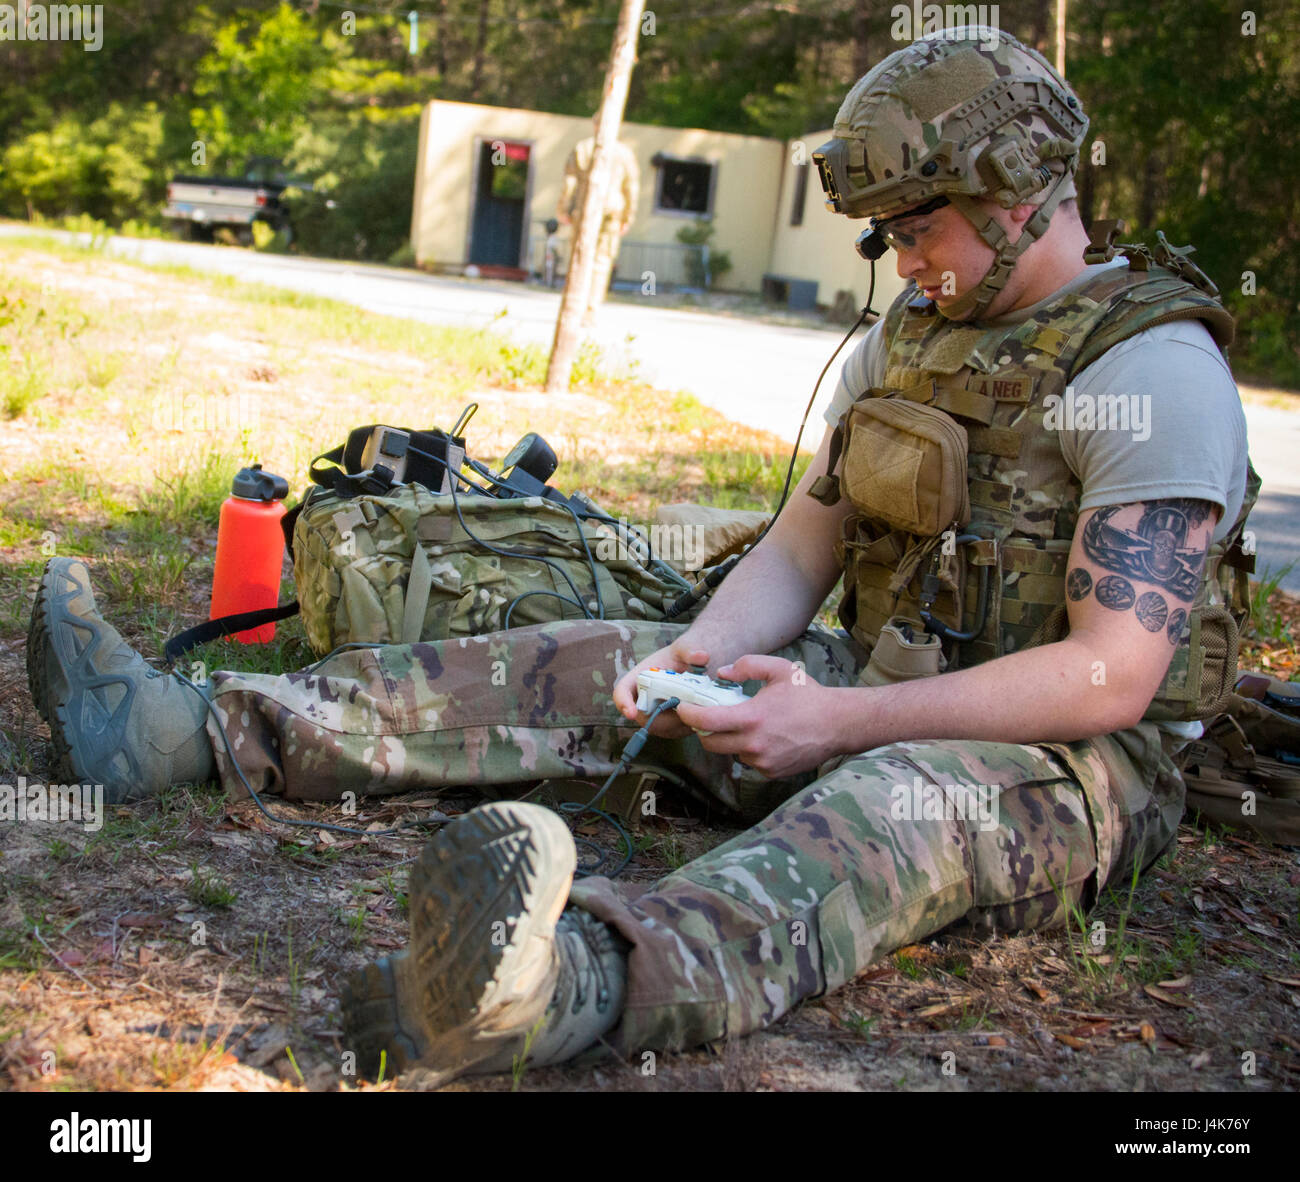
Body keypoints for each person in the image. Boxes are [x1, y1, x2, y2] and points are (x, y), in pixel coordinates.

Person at [26, 28, 1255, 1086]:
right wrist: (697, 657)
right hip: (878, 686)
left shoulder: (1150, 370)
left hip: (1069, 773)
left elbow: (1109, 678)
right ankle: (188, 731)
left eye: (917, 225)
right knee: (601, 655)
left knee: (894, 807)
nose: (903, 261)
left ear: (1017, 192)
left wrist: (836, 725)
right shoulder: (914, 339)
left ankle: (549, 992)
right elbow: (799, 548)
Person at [557, 123, 640, 328]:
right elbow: (632, 188)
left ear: (595, 125)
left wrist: (563, 209)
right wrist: (628, 217)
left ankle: (573, 307)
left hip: (583, 210)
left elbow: (569, 184)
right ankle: (590, 312)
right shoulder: (623, 153)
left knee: (579, 258)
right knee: (601, 263)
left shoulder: (582, 148)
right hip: (611, 212)